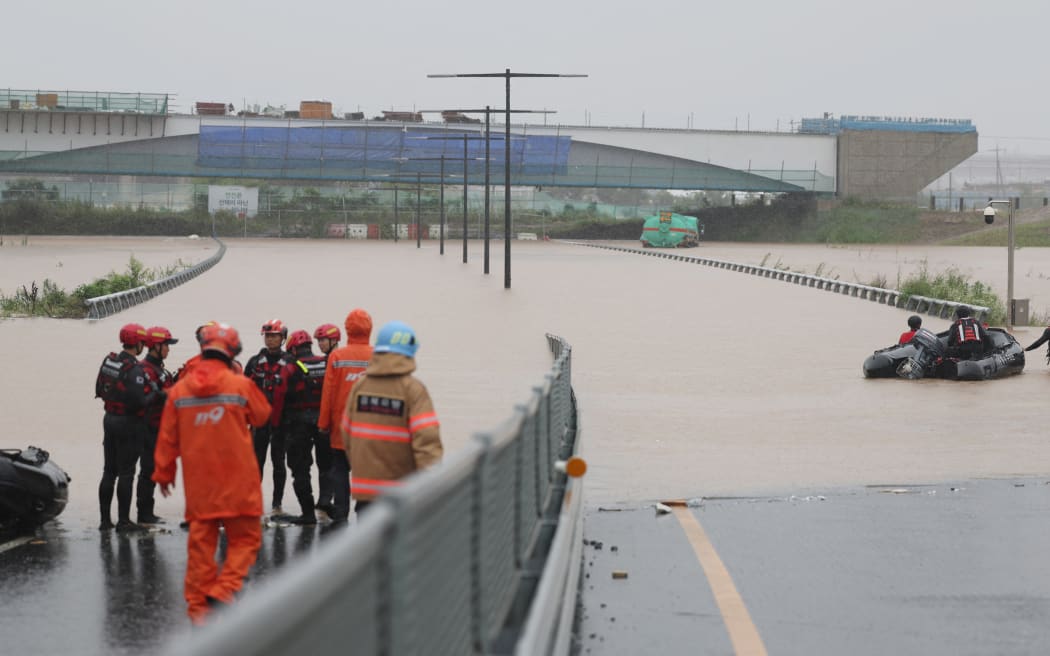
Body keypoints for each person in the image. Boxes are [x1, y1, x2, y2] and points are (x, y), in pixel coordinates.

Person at [153, 322, 271, 627]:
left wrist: (164, 474)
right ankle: (226, 589)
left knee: (200, 551)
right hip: (239, 483)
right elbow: (262, 415)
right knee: (245, 540)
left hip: (200, 486)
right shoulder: (240, 386)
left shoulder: (179, 390)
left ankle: (199, 613)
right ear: (231, 352)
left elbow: (167, 437)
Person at [340, 320, 442, 516]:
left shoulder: (360, 387)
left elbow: (346, 434)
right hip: (401, 494)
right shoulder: (413, 390)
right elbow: (427, 443)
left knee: (368, 545)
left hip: (365, 495)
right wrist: (431, 489)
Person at [95, 323, 155, 532]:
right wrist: (155, 395)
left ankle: (104, 521)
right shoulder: (135, 369)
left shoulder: (110, 361)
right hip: (128, 424)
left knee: (108, 470)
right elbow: (140, 401)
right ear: (137, 343)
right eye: (142, 343)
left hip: (109, 419)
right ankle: (123, 521)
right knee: (127, 472)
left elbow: (99, 389)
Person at [318, 309, 373, 522]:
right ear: (369, 328)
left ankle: (341, 513)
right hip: (368, 429)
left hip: (341, 428)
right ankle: (364, 511)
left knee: (339, 471)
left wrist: (323, 424)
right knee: (365, 471)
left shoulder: (337, 356)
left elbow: (328, 395)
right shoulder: (377, 355)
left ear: (347, 329)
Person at [270, 330, 327, 524]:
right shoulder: (325, 362)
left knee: (300, 469)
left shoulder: (290, 366)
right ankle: (328, 505)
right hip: (323, 423)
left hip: (297, 425)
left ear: (292, 348)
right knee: (326, 466)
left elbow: (279, 396)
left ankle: (308, 514)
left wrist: (275, 424)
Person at [244, 319, 292, 515]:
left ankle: (277, 505)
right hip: (259, 423)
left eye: (274, 336)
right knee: (256, 463)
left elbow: (299, 385)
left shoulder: (290, 362)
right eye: (268, 336)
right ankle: (253, 503)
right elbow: (243, 389)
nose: (270, 339)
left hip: (281, 423)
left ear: (282, 338)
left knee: (279, 464)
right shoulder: (254, 362)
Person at [136, 325, 178, 525]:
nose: (169, 349)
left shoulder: (160, 370)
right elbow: (145, 399)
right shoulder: (145, 370)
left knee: (151, 470)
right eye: (167, 346)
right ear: (155, 346)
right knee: (147, 471)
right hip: (148, 429)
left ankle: (147, 513)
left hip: (160, 428)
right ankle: (144, 514)